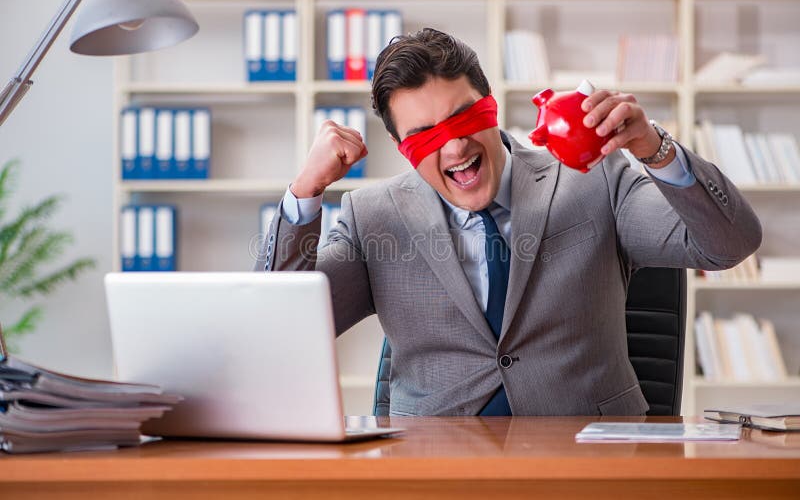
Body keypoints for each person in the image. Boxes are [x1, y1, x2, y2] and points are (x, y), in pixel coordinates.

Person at [255, 28, 761, 416]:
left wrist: (656, 149)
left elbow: (728, 244)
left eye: (464, 117)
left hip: (587, 458)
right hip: (433, 467)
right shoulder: (373, 218)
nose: (454, 147)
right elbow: (277, 329)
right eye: (426, 135)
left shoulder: (593, 178)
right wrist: (305, 194)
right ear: (401, 149)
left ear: (492, 108)